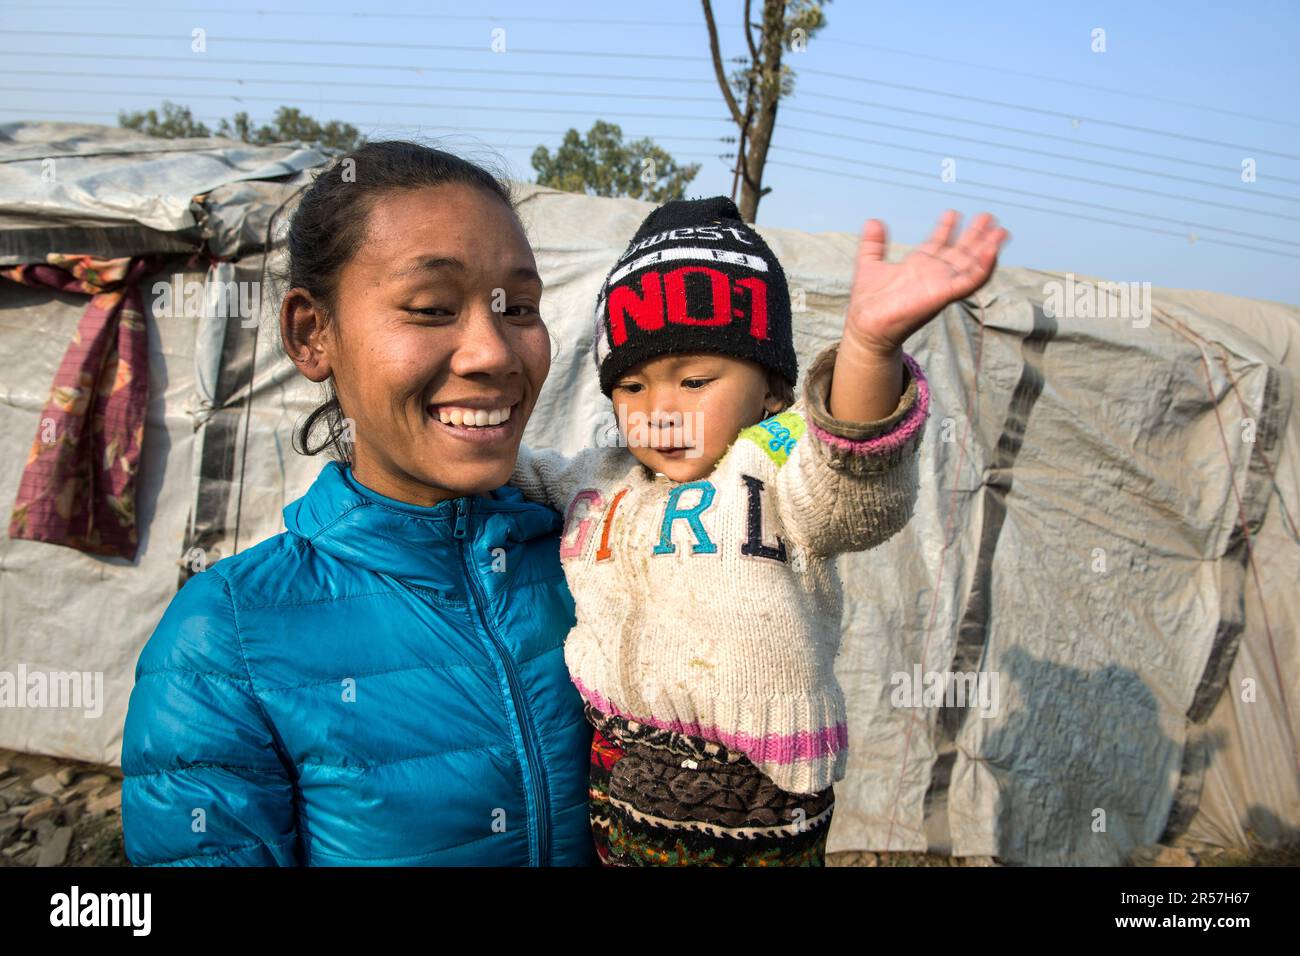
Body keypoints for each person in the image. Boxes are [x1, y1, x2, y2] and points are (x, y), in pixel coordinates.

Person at [120, 141, 596, 865]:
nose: (494, 353)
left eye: (518, 307)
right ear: (313, 335)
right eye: (433, 308)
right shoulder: (226, 643)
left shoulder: (608, 561)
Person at [510, 196, 1008, 865]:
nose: (659, 410)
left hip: (756, 799)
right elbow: (510, 472)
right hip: (613, 774)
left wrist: (868, 350)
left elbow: (854, 488)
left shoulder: (775, 466)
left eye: (693, 379)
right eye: (630, 386)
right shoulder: (599, 479)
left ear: (772, 391)